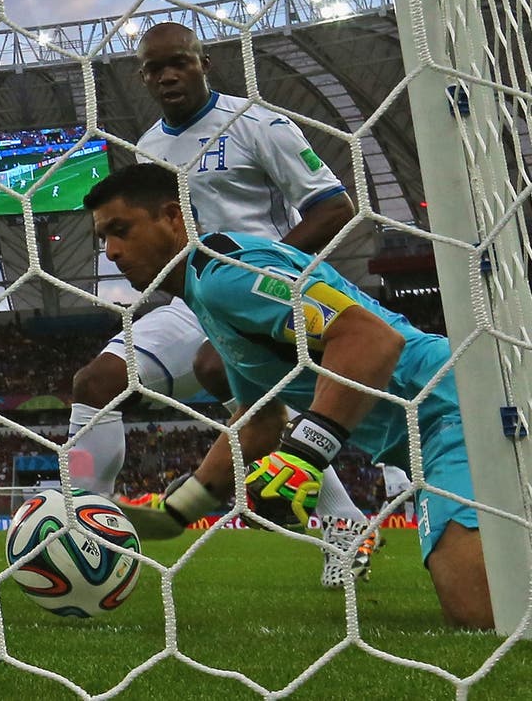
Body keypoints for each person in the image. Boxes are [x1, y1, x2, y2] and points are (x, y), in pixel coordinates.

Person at [84, 162, 492, 629]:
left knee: (479, 612)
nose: (112, 252)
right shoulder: (206, 291)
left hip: (449, 409)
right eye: (103, 241)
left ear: (172, 217)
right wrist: (181, 510)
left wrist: (306, 456)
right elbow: (261, 422)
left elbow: (372, 339)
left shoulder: (225, 277)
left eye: (121, 231)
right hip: (436, 423)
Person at [68, 21, 373, 586]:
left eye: (179, 62)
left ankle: (341, 518)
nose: (168, 75)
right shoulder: (149, 148)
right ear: (143, 77)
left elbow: (334, 208)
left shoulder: (257, 123)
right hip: (196, 299)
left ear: (203, 63)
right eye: (155, 68)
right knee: (96, 383)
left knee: (219, 370)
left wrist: (262, 272)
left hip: (263, 294)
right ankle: (82, 536)